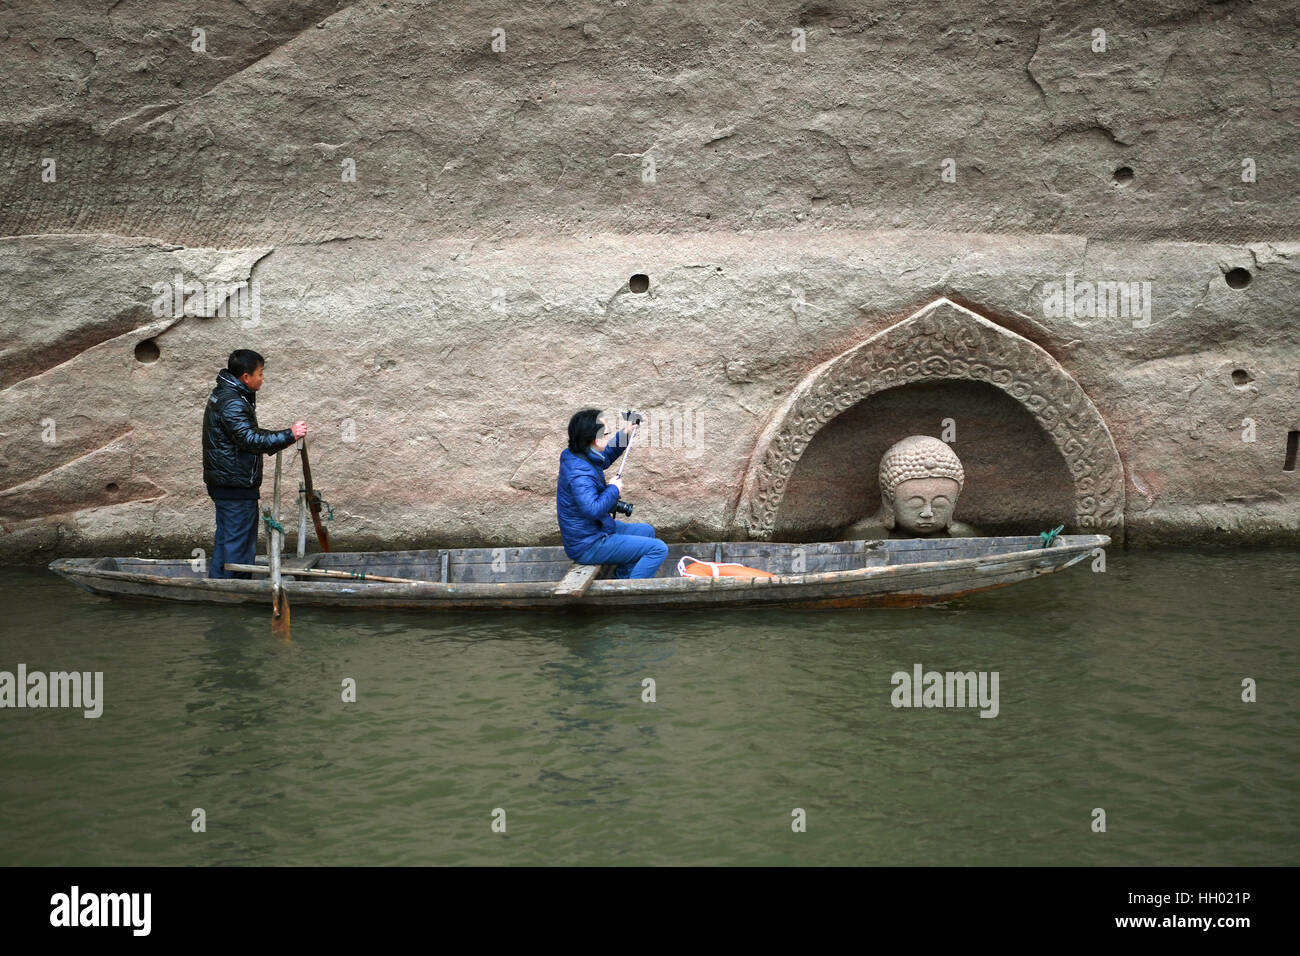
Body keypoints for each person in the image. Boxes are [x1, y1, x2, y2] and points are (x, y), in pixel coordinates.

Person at [202, 350, 306, 578]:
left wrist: (284, 435)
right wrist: (290, 435)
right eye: (260, 373)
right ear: (245, 377)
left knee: (227, 538)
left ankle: (218, 584)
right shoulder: (232, 403)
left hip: (227, 482)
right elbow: (250, 440)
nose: (262, 378)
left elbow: (246, 435)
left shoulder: (227, 394)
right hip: (234, 485)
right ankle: (234, 592)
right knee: (238, 541)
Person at [556, 409, 668, 579]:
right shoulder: (579, 474)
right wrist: (613, 489)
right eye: (606, 433)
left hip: (595, 530)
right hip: (588, 544)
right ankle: (628, 596)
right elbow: (593, 509)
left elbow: (605, 457)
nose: (608, 436)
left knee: (646, 531)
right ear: (594, 439)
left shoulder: (581, 455)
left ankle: (621, 580)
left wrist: (625, 433)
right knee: (658, 549)